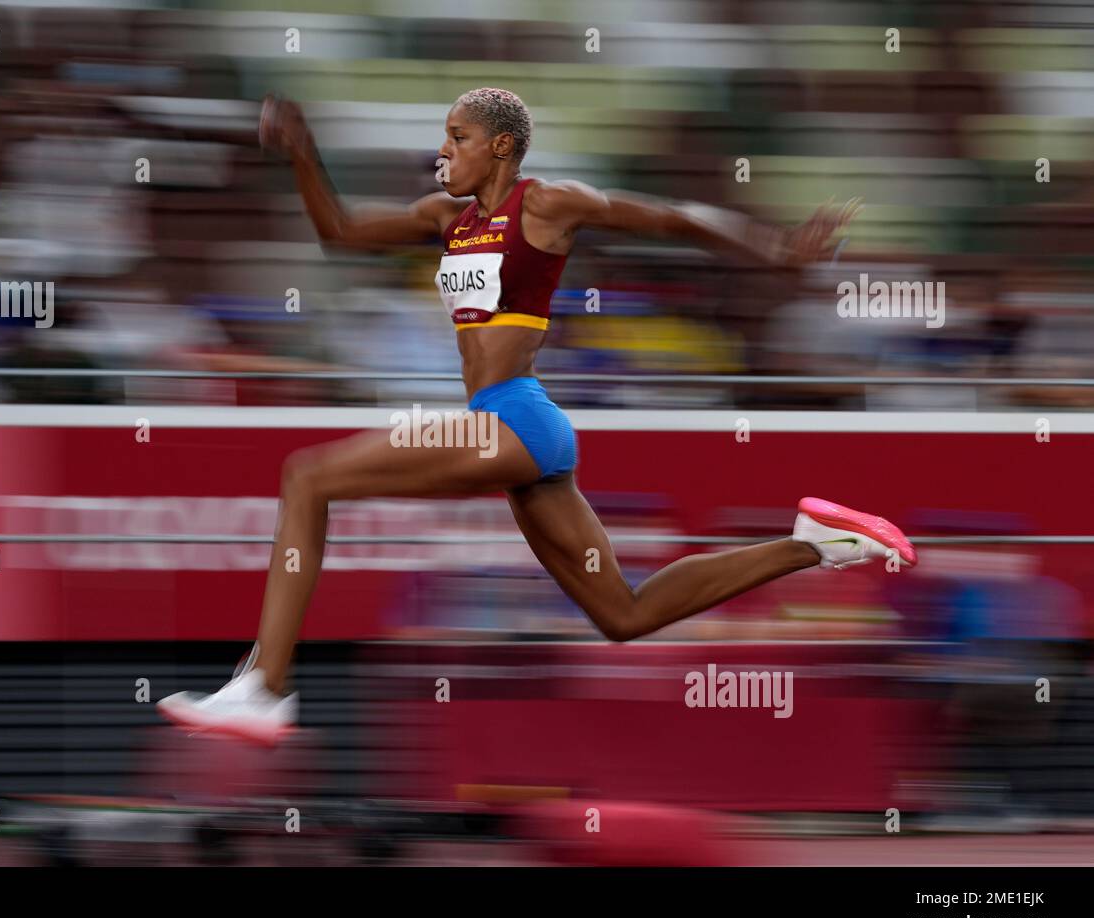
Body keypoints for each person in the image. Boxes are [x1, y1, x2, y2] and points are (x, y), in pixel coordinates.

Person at [158, 88, 916, 743]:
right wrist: (300, 149)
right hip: (520, 433)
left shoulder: (546, 204)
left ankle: (262, 685)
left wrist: (776, 247)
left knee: (308, 475)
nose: (442, 149)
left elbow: (672, 218)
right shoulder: (443, 218)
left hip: (516, 419)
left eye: (456, 137)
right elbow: (342, 233)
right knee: (623, 614)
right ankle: (815, 544)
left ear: (501, 146)